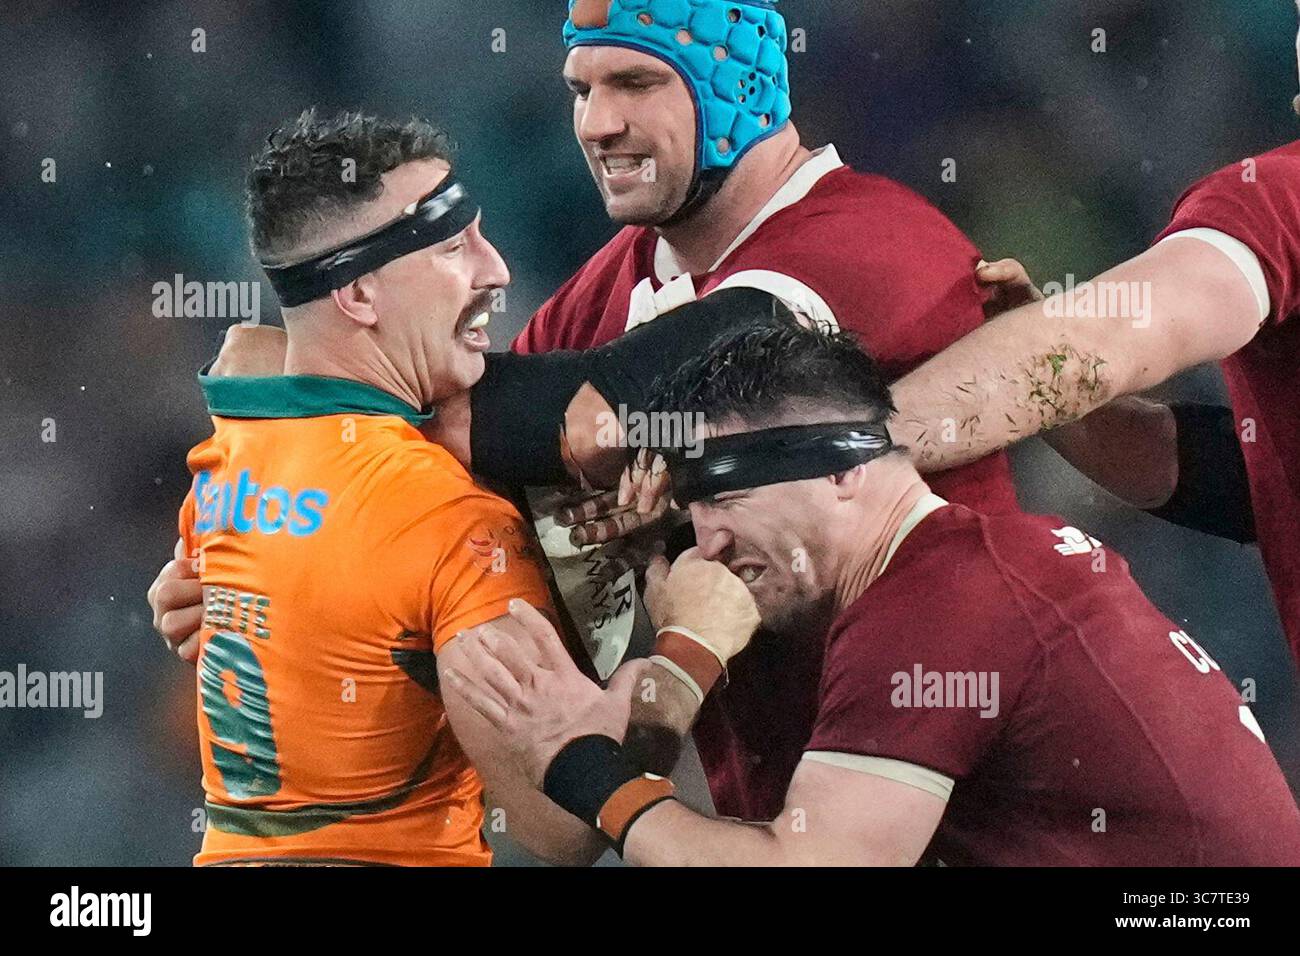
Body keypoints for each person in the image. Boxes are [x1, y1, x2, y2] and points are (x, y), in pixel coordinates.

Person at [446, 323, 1300, 866]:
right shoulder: (976, 563)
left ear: (850, 470)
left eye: (726, 499)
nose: (704, 544)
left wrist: (580, 762)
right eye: (693, 509)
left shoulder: (939, 607)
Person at [169, 110, 615, 866]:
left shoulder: (221, 464)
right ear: (359, 296)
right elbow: (562, 828)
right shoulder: (444, 516)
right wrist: (672, 650)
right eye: (453, 248)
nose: (496, 270)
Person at [883, 3, 1300, 663]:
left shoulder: (1280, 195)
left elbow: (1099, 344)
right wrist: (1049, 386)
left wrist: (832, 451)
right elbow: (1227, 475)